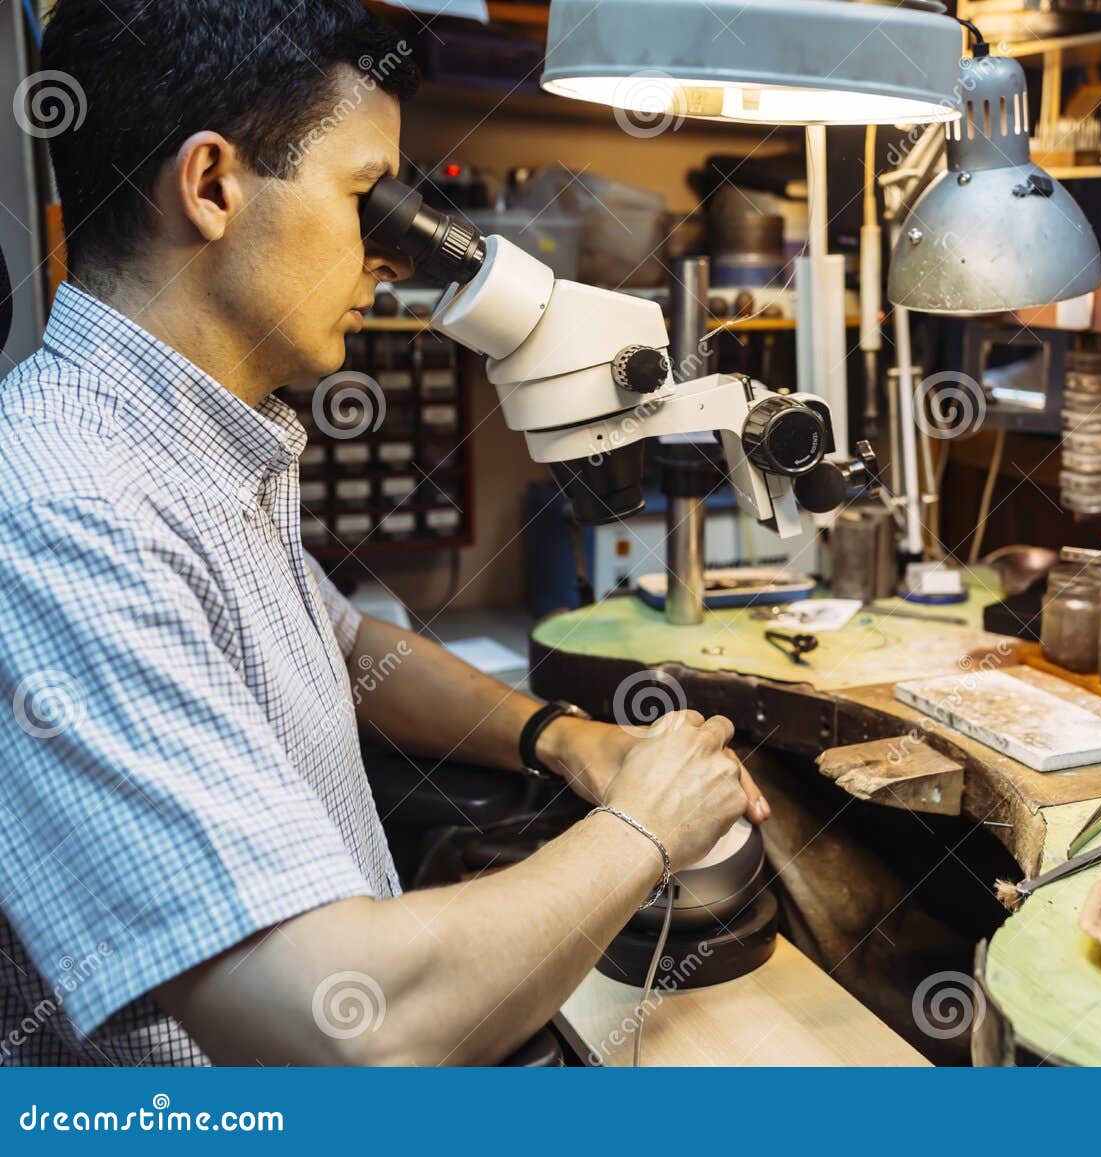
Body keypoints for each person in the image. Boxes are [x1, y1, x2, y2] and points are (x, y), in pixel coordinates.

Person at [0, 0, 763, 1066]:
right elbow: (342, 1023)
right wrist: (642, 828)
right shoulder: (66, 508)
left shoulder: (193, 443)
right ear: (213, 185)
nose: (393, 258)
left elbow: (341, 645)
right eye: (368, 197)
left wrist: (565, 737)